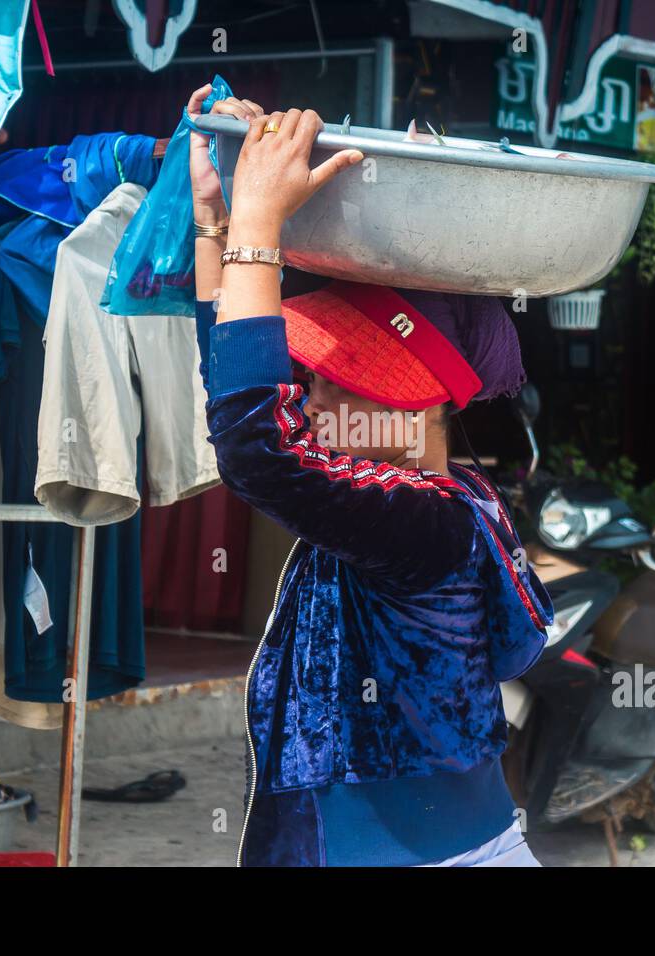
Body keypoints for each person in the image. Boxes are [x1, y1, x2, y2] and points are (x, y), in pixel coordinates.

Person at [186, 85, 552, 865]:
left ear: (416, 400)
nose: (308, 390)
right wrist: (218, 212)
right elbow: (238, 387)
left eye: (334, 371)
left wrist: (258, 225)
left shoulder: (423, 526)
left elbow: (257, 446)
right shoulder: (447, 498)